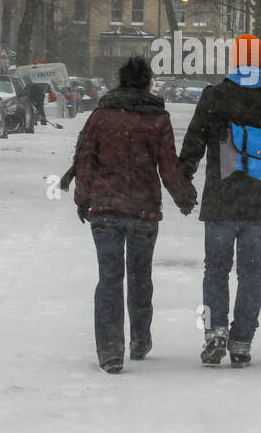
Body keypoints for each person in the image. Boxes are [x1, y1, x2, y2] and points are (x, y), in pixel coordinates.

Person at [180, 34, 261, 367]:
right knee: (252, 276)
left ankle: (214, 332)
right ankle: (242, 341)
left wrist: (182, 185)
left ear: (235, 61)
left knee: (215, 271)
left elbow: (193, 143)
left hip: (221, 200)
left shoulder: (215, 96)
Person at [73, 56, 196, 374]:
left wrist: (83, 198)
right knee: (141, 278)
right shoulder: (158, 118)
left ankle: (111, 351)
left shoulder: (101, 116)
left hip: (105, 209)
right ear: (148, 83)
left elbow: (86, 158)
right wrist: (184, 197)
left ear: (120, 81)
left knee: (109, 279)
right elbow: (168, 165)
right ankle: (140, 340)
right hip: (143, 210)